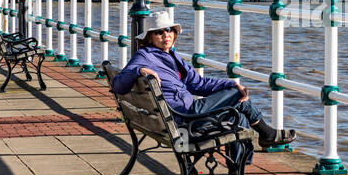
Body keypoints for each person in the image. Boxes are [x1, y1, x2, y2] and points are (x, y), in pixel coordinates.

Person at [109, 10, 295, 152]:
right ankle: (267, 134)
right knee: (236, 97)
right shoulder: (145, 56)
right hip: (185, 118)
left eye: (169, 30)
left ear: (174, 33)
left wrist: (230, 83)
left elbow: (198, 84)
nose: (166, 35)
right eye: (159, 32)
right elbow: (117, 84)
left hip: (183, 116)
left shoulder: (172, 57)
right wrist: (139, 70)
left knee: (239, 118)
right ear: (149, 37)